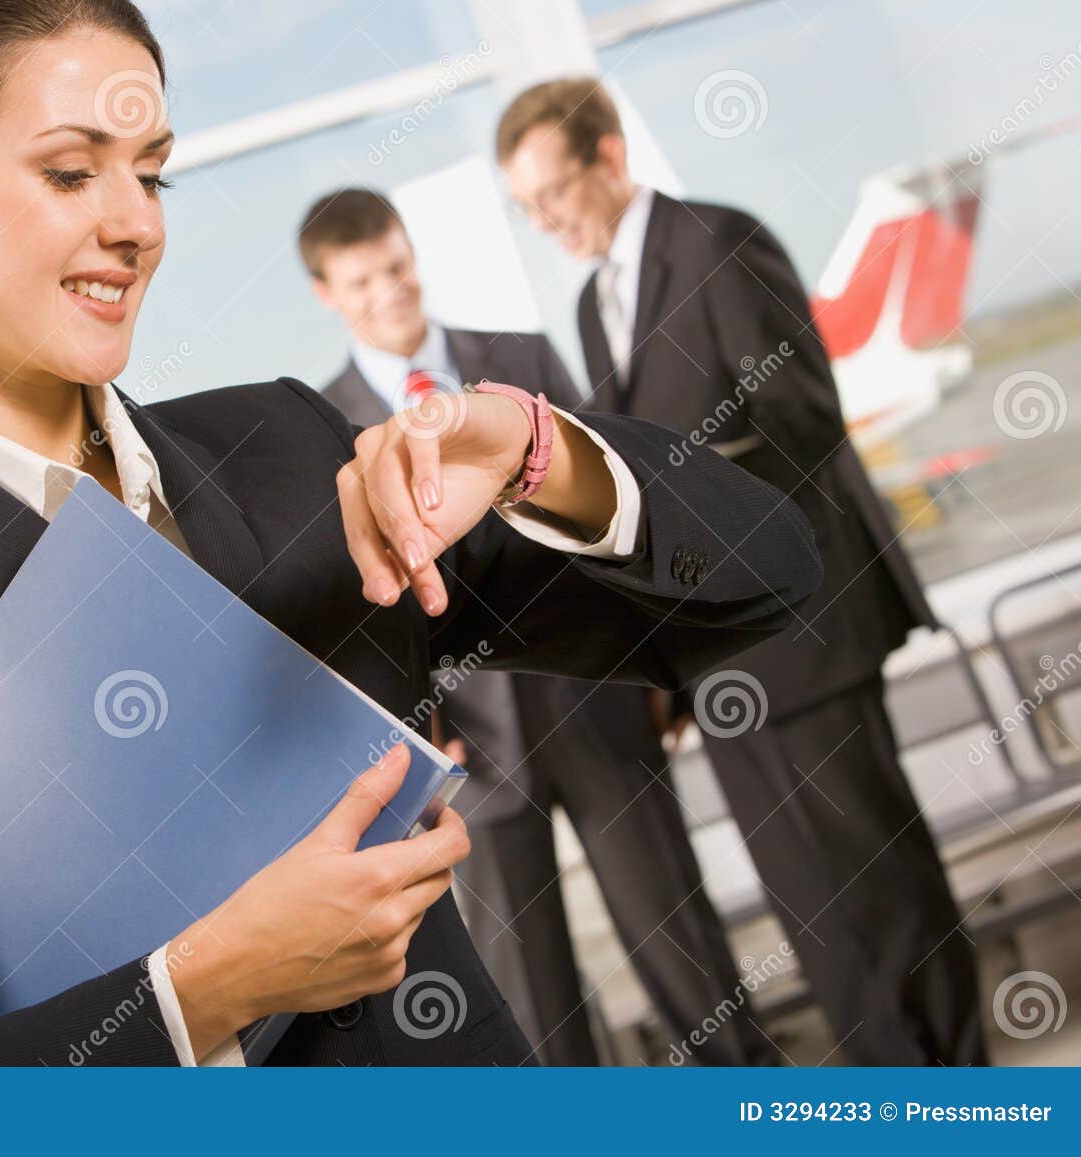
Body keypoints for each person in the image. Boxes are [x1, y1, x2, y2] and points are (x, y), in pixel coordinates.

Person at [0, 1, 820, 1068]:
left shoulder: (286, 453)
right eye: (71, 171)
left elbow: (767, 576)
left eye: (151, 173)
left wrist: (537, 451)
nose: (136, 222)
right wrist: (204, 986)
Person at [495, 76, 984, 1066]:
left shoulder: (719, 242)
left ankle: (963, 1086)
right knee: (814, 914)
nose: (545, 222)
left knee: (881, 886)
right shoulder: (594, 308)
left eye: (553, 193)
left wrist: (673, 486)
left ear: (611, 160)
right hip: (720, 664)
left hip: (803, 631)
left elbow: (802, 420)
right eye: (526, 208)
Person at [300, 187, 777, 1066]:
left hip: (600, 703)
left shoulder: (519, 358)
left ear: (415, 253)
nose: (390, 292)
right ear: (327, 292)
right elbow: (364, 599)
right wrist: (416, 736)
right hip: (468, 750)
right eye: (363, 282)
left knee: (690, 963)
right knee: (532, 1008)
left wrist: (662, 668)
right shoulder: (326, 421)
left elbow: (625, 515)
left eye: (398, 267)